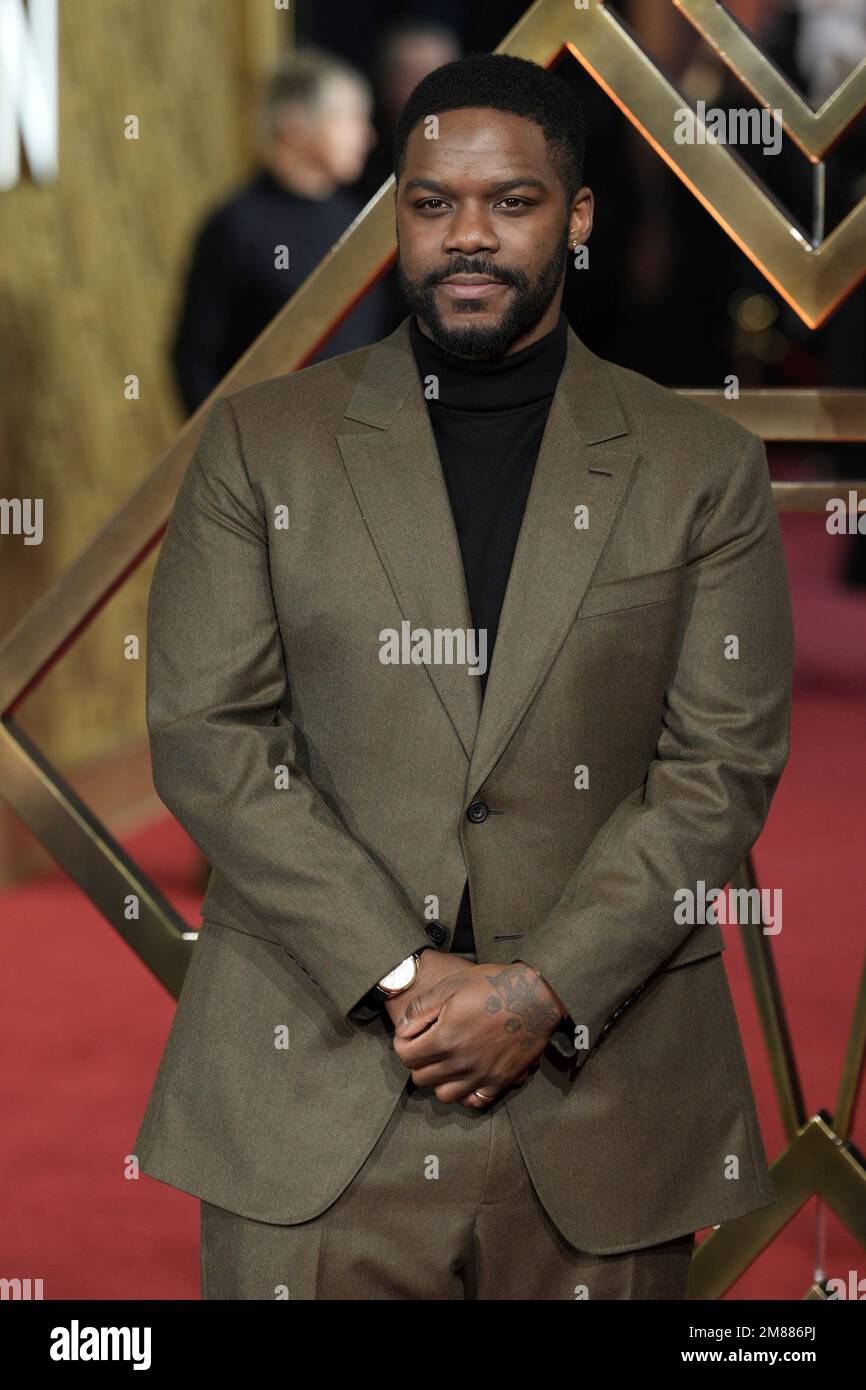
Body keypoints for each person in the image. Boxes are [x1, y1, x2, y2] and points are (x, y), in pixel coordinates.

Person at [135, 53, 794, 1300]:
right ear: (397, 211)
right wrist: (403, 971)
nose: (467, 238)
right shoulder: (259, 446)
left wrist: (541, 988)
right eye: (432, 203)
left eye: (511, 201)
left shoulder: (696, 465)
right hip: (317, 1102)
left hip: (601, 1104)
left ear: (577, 216)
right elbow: (209, 738)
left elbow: (719, 768)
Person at [171, 46, 387, 415]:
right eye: (350, 118)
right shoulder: (237, 225)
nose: (367, 136)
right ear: (294, 124)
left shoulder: (358, 221)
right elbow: (194, 359)